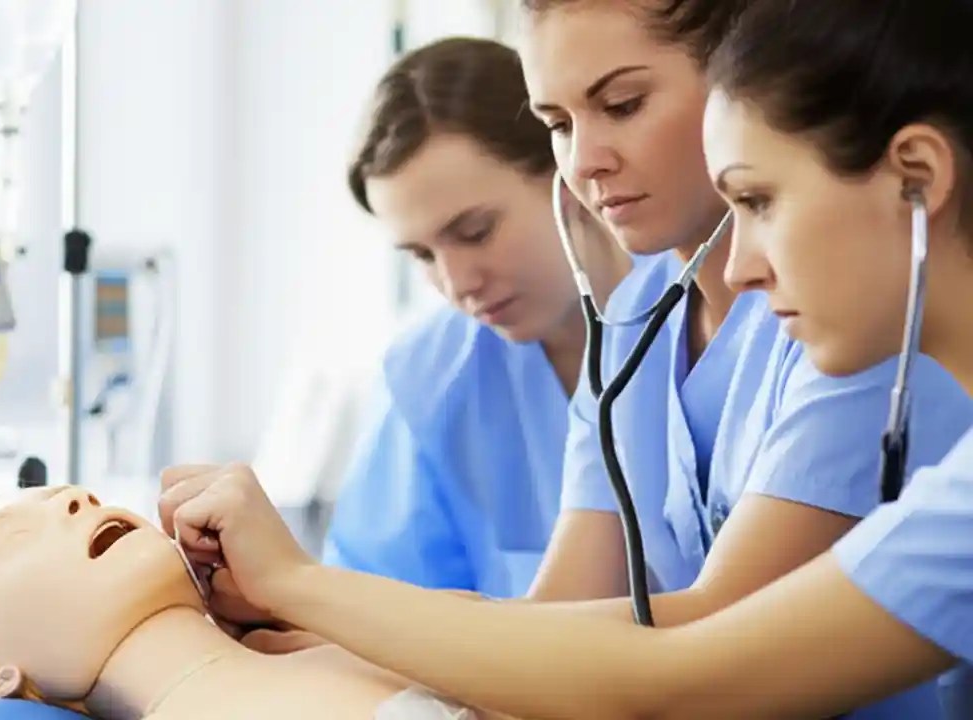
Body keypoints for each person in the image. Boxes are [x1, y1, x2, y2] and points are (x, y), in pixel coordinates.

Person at [156, 0, 973, 717]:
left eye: (622, 103)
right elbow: (551, 626)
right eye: (556, 124)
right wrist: (290, 627)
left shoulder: (848, 331)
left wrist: (301, 591)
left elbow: (690, 668)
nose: (583, 164)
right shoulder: (637, 324)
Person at [324, 37, 628, 598]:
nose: (458, 284)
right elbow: (377, 615)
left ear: (566, 168)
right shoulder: (429, 379)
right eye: (422, 255)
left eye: (475, 232)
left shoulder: (713, 326)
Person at [0, 484, 515, 719]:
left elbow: (548, 644)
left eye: (77, 496)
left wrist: (296, 606)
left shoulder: (310, 644)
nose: (76, 501)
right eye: (14, 538)